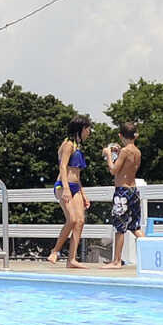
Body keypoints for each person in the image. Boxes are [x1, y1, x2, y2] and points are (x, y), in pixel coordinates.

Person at [46, 115, 92, 268]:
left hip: (75, 187)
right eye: (87, 129)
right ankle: (55, 251)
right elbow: (63, 167)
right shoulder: (68, 145)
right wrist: (66, 188)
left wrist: (83, 194)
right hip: (62, 185)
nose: (89, 132)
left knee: (80, 221)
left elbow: (77, 174)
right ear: (80, 129)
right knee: (71, 219)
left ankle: (71, 259)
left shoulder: (78, 146)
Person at [102, 121, 144, 269]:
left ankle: (117, 261)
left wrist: (108, 155)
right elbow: (127, 168)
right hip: (134, 191)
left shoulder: (125, 151)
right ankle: (150, 253)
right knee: (135, 227)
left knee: (120, 227)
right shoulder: (137, 151)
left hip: (122, 192)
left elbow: (114, 170)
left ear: (121, 135)